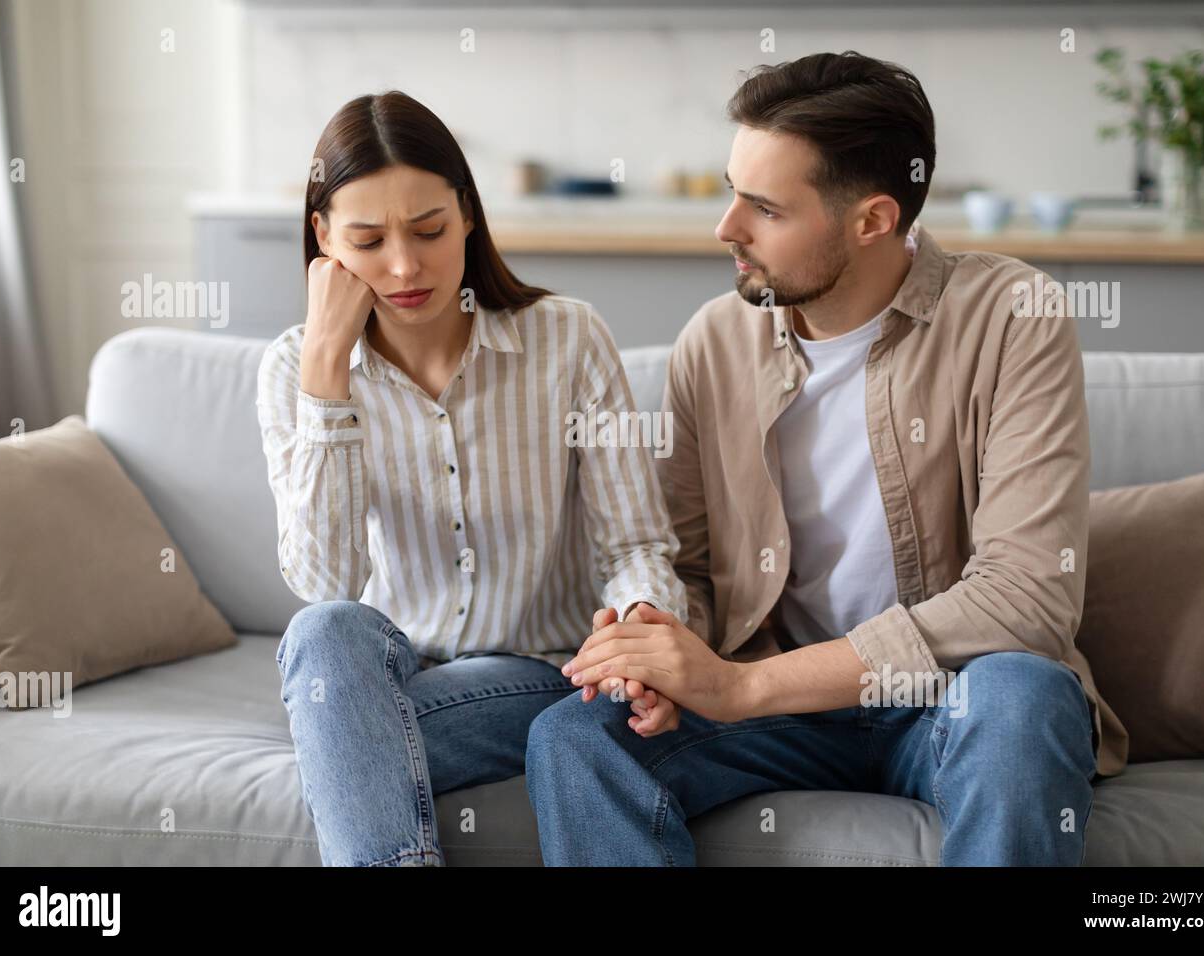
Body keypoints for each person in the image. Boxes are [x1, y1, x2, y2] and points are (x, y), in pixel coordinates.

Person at [525, 51, 1129, 866]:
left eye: (764, 208)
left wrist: (740, 688)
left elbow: (1028, 600)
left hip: (951, 700)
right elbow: (691, 569)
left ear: (873, 220)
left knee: (1023, 698)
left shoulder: (1012, 316)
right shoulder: (714, 341)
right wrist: (657, 648)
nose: (725, 227)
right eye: (732, 190)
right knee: (577, 734)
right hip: (777, 712)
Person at [256, 90, 686, 866]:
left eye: (429, 230)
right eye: (367, 239)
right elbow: (327, 584)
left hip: (541, 679)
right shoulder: (293, 368)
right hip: (388, 673)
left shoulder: (569, 339)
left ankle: (346, 751)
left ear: (468, 214)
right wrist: (327, 374)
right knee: (323, 635)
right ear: (322, 239)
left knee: (342, 736)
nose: (404, 265)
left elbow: (636, 543)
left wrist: (643, 625)